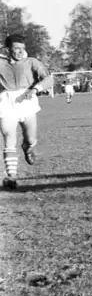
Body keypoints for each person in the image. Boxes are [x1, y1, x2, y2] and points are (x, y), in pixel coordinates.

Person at [0, 34, 51, 190]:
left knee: (30, 139)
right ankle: (11, 176)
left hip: (27, 101)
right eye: (16, 48)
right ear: (7, 50)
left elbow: (48, 79)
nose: (21, 51)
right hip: (6, 101)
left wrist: (35, 89)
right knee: (9, 136)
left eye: (23, 48)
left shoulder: (32, 62)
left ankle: (27, 148)